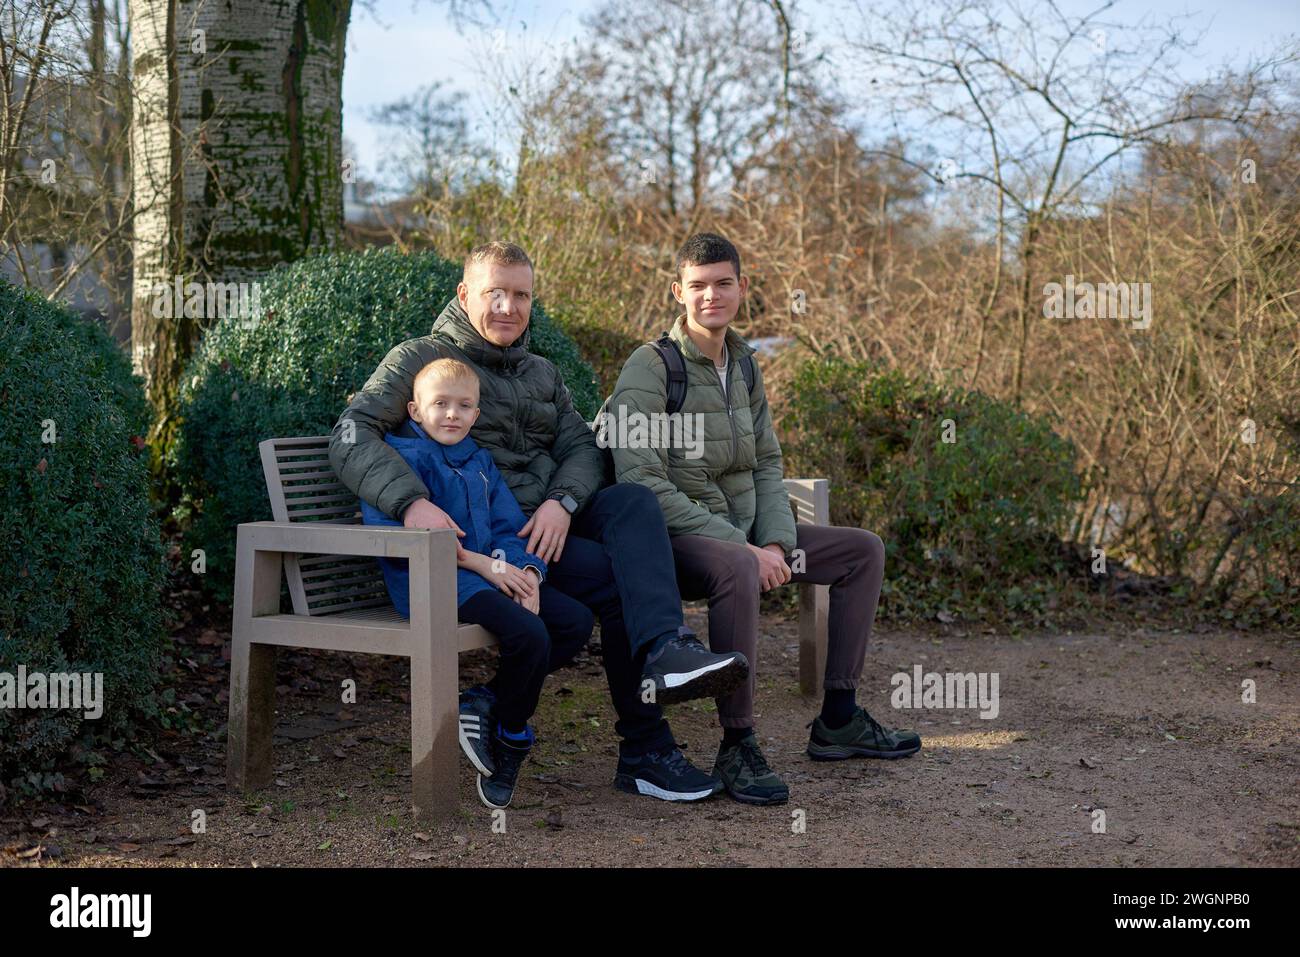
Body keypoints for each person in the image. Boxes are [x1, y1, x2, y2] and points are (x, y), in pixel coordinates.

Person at [330, 241, 748, 803]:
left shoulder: (541, 372)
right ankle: (645, 748)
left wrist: (564, 501)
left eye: (521, 295)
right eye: (494, 293)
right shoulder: (422, 361)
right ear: (464, 295)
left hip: (545, 525)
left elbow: (582, 444)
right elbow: (352, 433)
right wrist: (409, 502)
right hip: (491, 539)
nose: (508, 307)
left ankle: (667, 649)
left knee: (632, 502)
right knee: (617, 582)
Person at [607, 232, 922, 807]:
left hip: (750, 538)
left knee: (862, 550)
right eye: (698, 286)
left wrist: (774, 541)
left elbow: (767, 463)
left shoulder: (747, 365)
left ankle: (839, 719)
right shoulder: (652, 368)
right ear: (678, 291)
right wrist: (743, 546)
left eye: (723, 283)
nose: (711, 296)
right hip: (676, 546)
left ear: (742, 287)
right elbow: (639, 483)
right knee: (736, 567)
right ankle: (738, 742)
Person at [360, 357, 593, 810]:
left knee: (574, 621)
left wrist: (527, 571)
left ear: (476, 414)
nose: (452, 414)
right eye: (440, 404)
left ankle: (486, 700)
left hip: (489, 577)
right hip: (433, 584)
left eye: (464, 406)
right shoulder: (402, 459)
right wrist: (486, 566)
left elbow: (508, 525)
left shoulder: (479, 460)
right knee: (528, 633)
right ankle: (512, 736)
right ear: (414, 410)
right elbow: (398, 538)